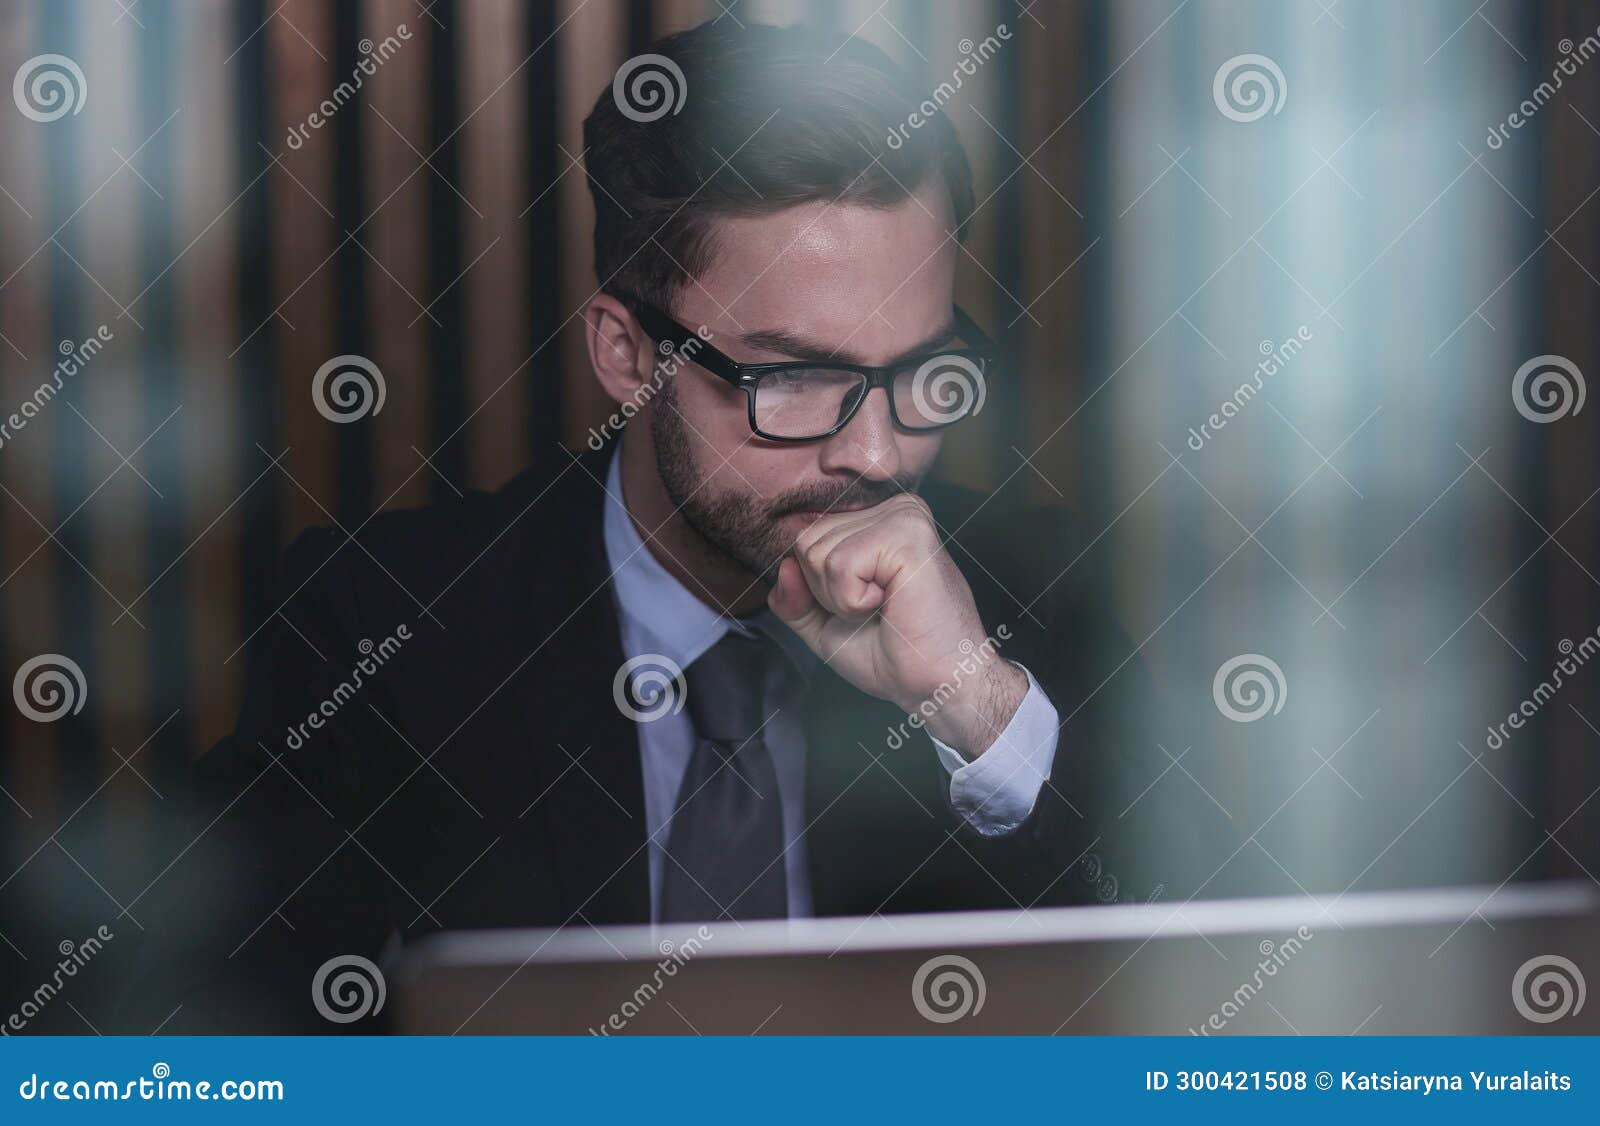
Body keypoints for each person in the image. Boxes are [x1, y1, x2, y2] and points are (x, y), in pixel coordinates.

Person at [134, 18, 1184, 1032]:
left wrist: (976, 710)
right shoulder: (383, 629)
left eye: (919, 372)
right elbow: (242, 1029)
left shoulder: (1034, 607)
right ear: (628, 356)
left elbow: (1229, 999)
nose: (876, 457)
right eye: (796, 377)